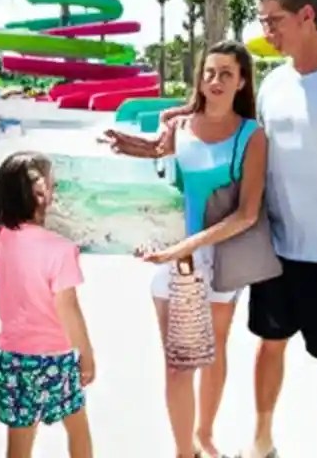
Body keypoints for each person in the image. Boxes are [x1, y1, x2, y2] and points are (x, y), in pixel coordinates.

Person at [157, 0, 317, 458]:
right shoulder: (274, 84)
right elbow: (232, 130)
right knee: (269, 344)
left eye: (274, 20)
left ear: (307, 16)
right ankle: (262, 441)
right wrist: (178, 119)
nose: (266, 31)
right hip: (274, 250)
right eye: (263, 21)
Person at [101, 40, 268, 458]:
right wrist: (130, 145)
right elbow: (160, 152)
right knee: (177, 363)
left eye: (226, 73)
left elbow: (247, 214)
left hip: (221, 257)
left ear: (241, 81)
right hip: (174, 259)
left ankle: (204, 436)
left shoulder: (252, 135)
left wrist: (186, 247)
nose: (215, 80)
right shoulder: (181, 126)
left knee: (212, 351)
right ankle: (183, 451)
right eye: (209, 72)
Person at [0, 151, 96, 458]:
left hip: (12, 357)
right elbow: (68, 309)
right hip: (54, 359)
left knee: (20, 440)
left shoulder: (1, 238)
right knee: (77, 429)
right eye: (54, 185)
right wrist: (86, 355)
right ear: (40, 195)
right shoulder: (60, 250)